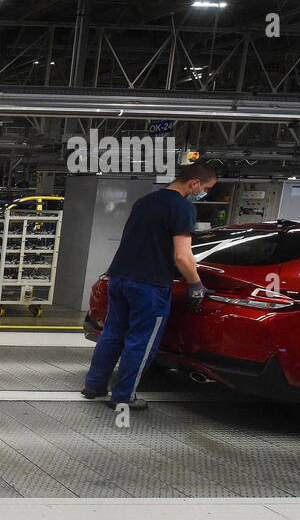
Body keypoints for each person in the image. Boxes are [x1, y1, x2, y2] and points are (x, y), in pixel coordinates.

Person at [82, 162, 220, 410]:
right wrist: (196, 284)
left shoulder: (145, 202)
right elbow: (183, 256)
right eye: (207, 188)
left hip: (119, 277)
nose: (205, 193)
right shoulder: (182, 207)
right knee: (140, 341)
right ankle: (123, 396)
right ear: (194, 183)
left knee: (112, 334)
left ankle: (93, 386)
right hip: (149, 284)